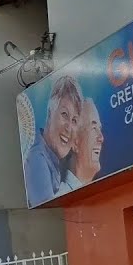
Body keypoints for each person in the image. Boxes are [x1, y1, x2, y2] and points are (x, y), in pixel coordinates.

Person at [23, 75, 83, 207]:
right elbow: (49, 210)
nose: (69, 127)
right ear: (50, 112)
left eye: (74, 120)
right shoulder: (37, 159)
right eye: (64, 114)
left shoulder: (52, 158)